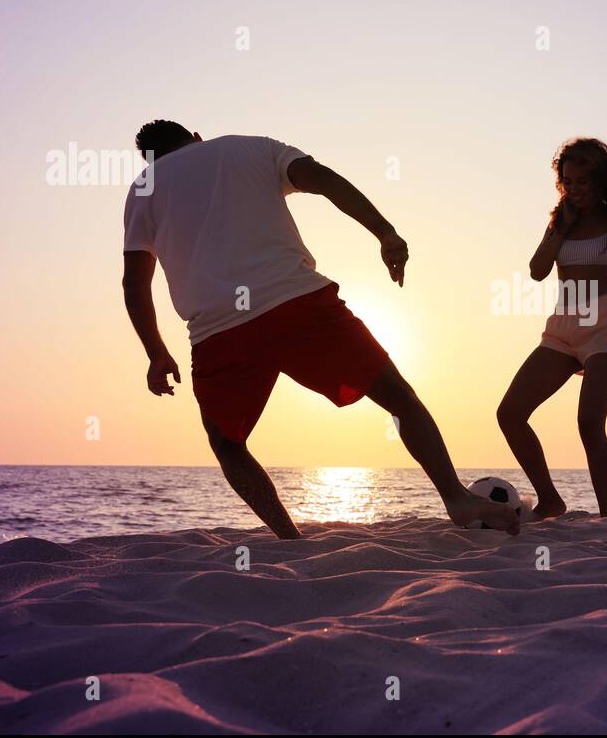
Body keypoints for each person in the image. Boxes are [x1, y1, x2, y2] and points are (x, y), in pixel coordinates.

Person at [121, 121, 519, 538]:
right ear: (198, 137)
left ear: (149, 159)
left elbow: (135, 283)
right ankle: (455, 497)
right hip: (298, 303)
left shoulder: (142, 188)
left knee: (227, 444)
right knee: (397, 396)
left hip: (219, 331)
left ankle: (288, 538)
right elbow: (326, 181)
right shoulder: (249, 147)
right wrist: (385, 233)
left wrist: (155, 353)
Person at [497, 138, 607, 519]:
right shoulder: (559, 220)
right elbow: (537, 270)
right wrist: (561, 229)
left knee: (589, 423)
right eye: (568, 181)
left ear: (601, 180)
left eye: (582, 181)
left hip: (604, 325)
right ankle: (551, 499)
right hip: (562, 326)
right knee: (510, 413)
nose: (574, 189)